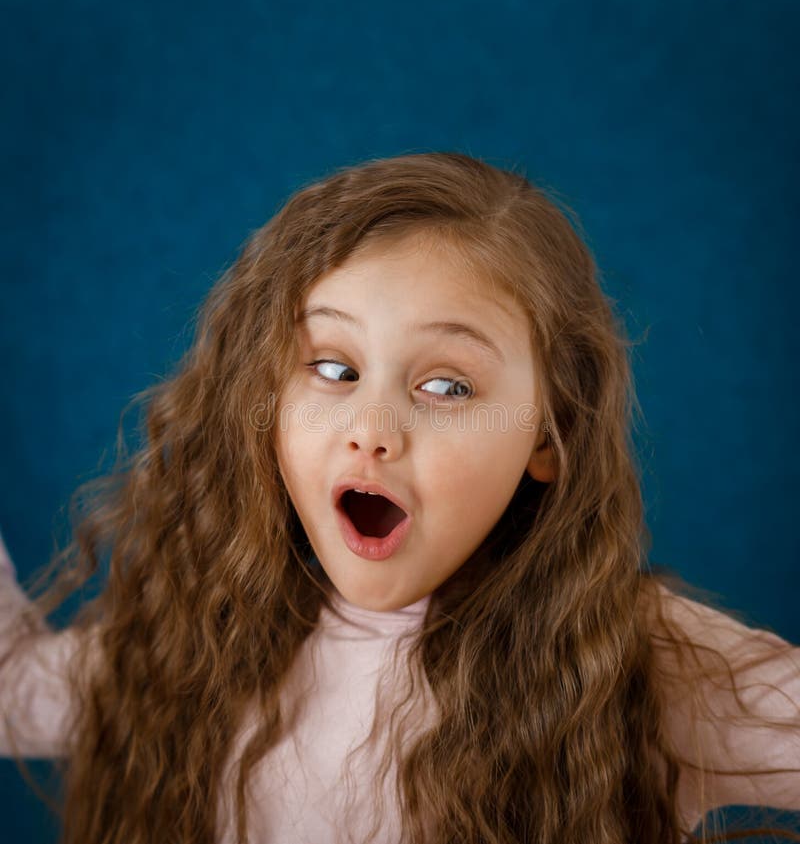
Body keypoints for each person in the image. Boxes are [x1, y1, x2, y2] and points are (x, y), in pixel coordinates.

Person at [1, 152, 798, 844]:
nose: (371, 430)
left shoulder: (639, 667)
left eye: (446, 385)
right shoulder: (194, 646)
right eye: (335, 369)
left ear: (548, 437)